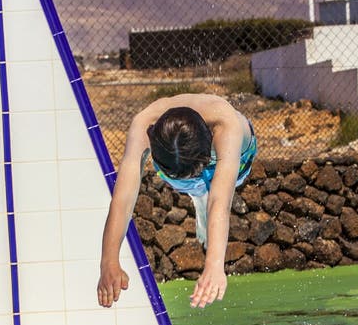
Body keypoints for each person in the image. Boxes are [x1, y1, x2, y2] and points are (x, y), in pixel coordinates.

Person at [97, 93, 257, 309]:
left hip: (240, 156)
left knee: (216, 189)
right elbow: (123, 199)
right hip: (184, 161)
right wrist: (108, 261)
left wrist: (214, 265)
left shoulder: (226, 125)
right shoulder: (143, 125)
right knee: (194, 185)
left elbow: (220, 201)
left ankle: (201, 195)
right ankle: (198, 195)